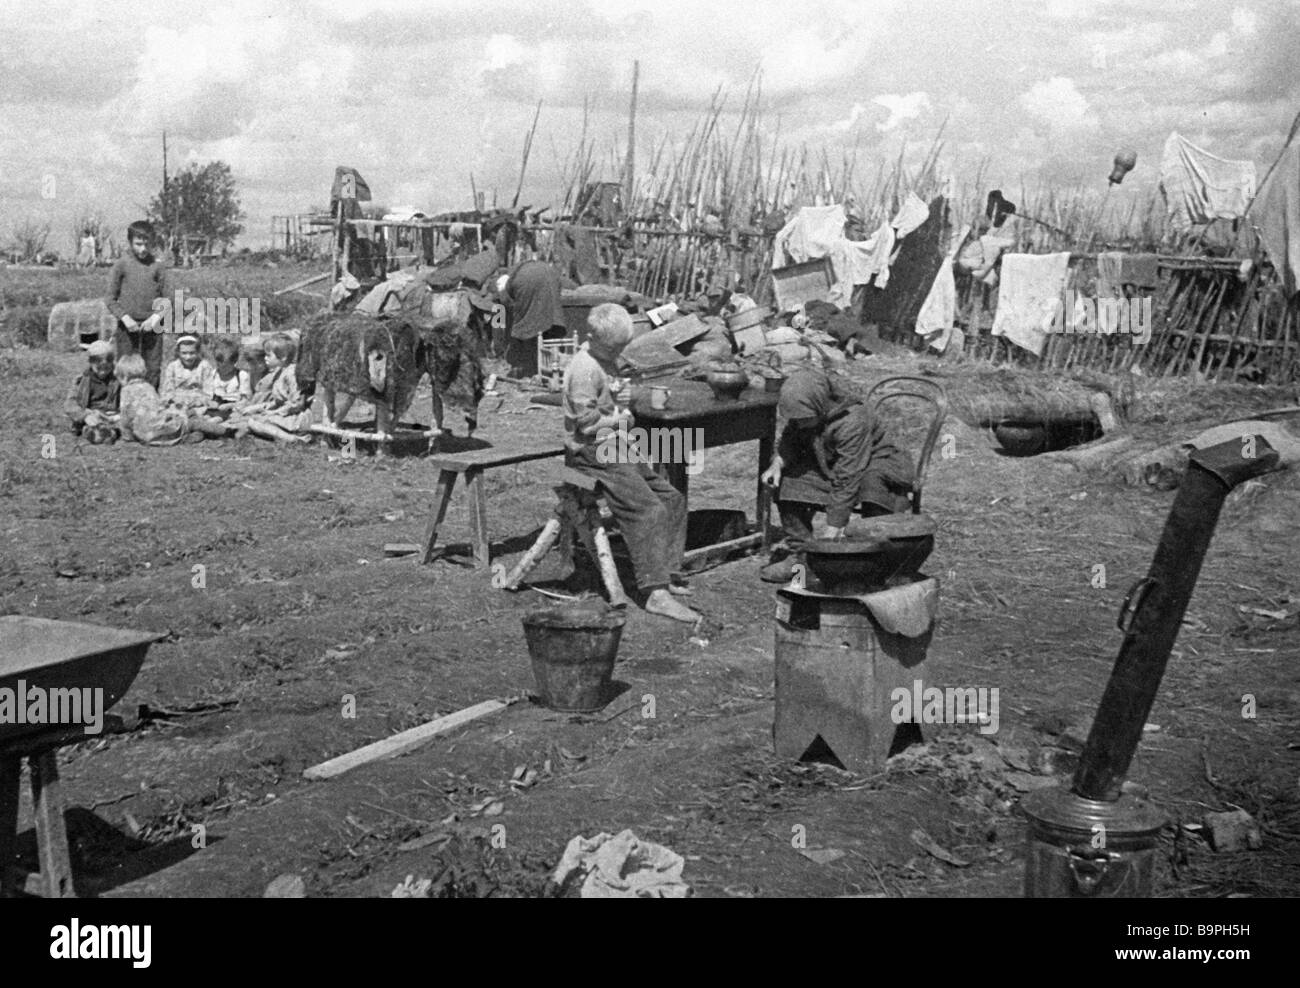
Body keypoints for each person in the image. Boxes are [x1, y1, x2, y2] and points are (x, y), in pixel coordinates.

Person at [563, 304, 699, 623]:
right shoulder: (584, 369)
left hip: (615, 445)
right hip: (589, 452)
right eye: (615, 347)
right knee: (647, 510)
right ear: (594, 338)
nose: (620, 352)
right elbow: (586, 425)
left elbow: (611, 399)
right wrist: (620, 417)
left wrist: (621, 396)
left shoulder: (605, 359)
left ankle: (667, 572)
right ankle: (655, 593)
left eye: (623, 346)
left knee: (672, 499)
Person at [759, 368, 916, 583]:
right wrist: (778, 463)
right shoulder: (807, 413)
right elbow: (790, 439)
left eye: (804, 419)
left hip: (874, 463)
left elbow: (848, 477)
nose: (799, 424)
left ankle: (873, 560)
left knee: (872, 488)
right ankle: (805, 557)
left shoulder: (852, 421)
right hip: (833, 463)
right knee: (788, 482)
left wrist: (834, 525)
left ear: (819, 403)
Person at [107, 220, 168, 388]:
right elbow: (110, 299)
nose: (143, 249)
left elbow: (168, 298)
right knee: (127, 369)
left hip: (153, 326)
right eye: (138, 244)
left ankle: (151, 405)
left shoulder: (158, 266)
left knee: (153, 368)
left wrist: (155, 319)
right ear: (130, 242)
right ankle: (126, 404)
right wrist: (125, 318)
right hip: (128, 327)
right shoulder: (121, 265)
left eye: (147, 244)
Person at [236, 334, 310, 443]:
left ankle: (293, 439)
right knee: (255, 418)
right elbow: (277, 401)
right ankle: (285, 435)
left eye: (269, 355)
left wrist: (274, 413)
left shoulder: (291, 373)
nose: (265, 358)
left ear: (283, 357)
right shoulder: (280, 372)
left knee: (255, 422)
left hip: (296, 417)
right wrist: (256, 407)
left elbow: (297, 403)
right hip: (285, 413)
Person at [502, 257, 566, 377]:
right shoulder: (547, 269)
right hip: (548, 284)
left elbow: (508, 297)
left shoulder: (512, 276)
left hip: (526, 284)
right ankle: (546, 365)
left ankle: (529, 367)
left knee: (526, 324)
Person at [116, 353, 191, 445]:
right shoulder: (149, 387)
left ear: (123, 377)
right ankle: (185, 432)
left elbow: (125, 418)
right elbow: (158, 407)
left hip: (145, 434)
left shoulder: (126, 391)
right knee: (178, 416)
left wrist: (127, 437)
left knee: (145, 428)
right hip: (162, 427)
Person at [64, 340, 120, 439]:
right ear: (90, 362)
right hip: (92, 414)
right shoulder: (82, 380)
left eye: (107, 366)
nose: (103, 371)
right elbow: (70, 404)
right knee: (93, 426)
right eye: (99, 366)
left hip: (113, 415)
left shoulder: (119, 378)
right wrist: (84, 416)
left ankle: (107, 430)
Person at [160, 335, 217, 410]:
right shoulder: (172, 367)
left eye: (192, 353)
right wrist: (177, 400)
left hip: (199, 405)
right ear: (178, 352)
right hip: (177, 405)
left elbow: (208, 392)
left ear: (197, 352)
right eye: (184, 353)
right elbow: (167, 392)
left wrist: (197, 401)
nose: (188, 357)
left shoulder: (204, 366)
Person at [205, 338, 252, 408]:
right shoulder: (213, 375)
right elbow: (207, 395)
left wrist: (230, 405)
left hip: (234, 407)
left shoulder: (241, 375)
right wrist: (210, 402)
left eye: (224, 367)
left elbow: (245, 400)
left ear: (234, 362)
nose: (220, 368)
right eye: (218, 365)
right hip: (216, 406)